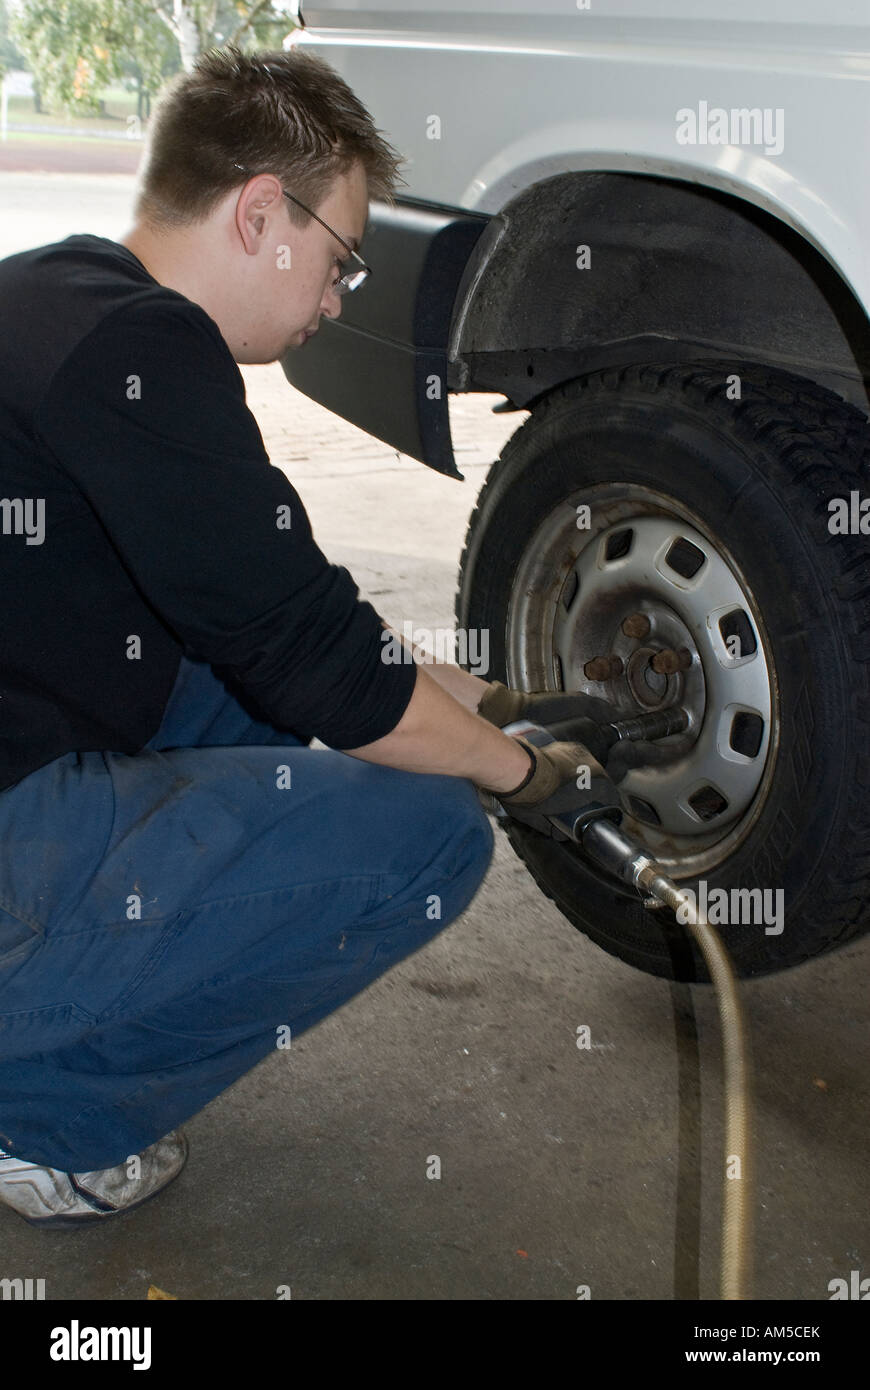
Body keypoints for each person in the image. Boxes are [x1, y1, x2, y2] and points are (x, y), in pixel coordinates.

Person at [0, 46, 617, 1228]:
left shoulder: (60, 295)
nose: (338, 299)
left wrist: (485, 703)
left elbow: (281, 619)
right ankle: (43, 1116)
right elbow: (314, 659)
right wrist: (526, 773)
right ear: (259, 213)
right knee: (432, 834)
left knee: (229, 686)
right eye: (340, 261)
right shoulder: (148, 356)